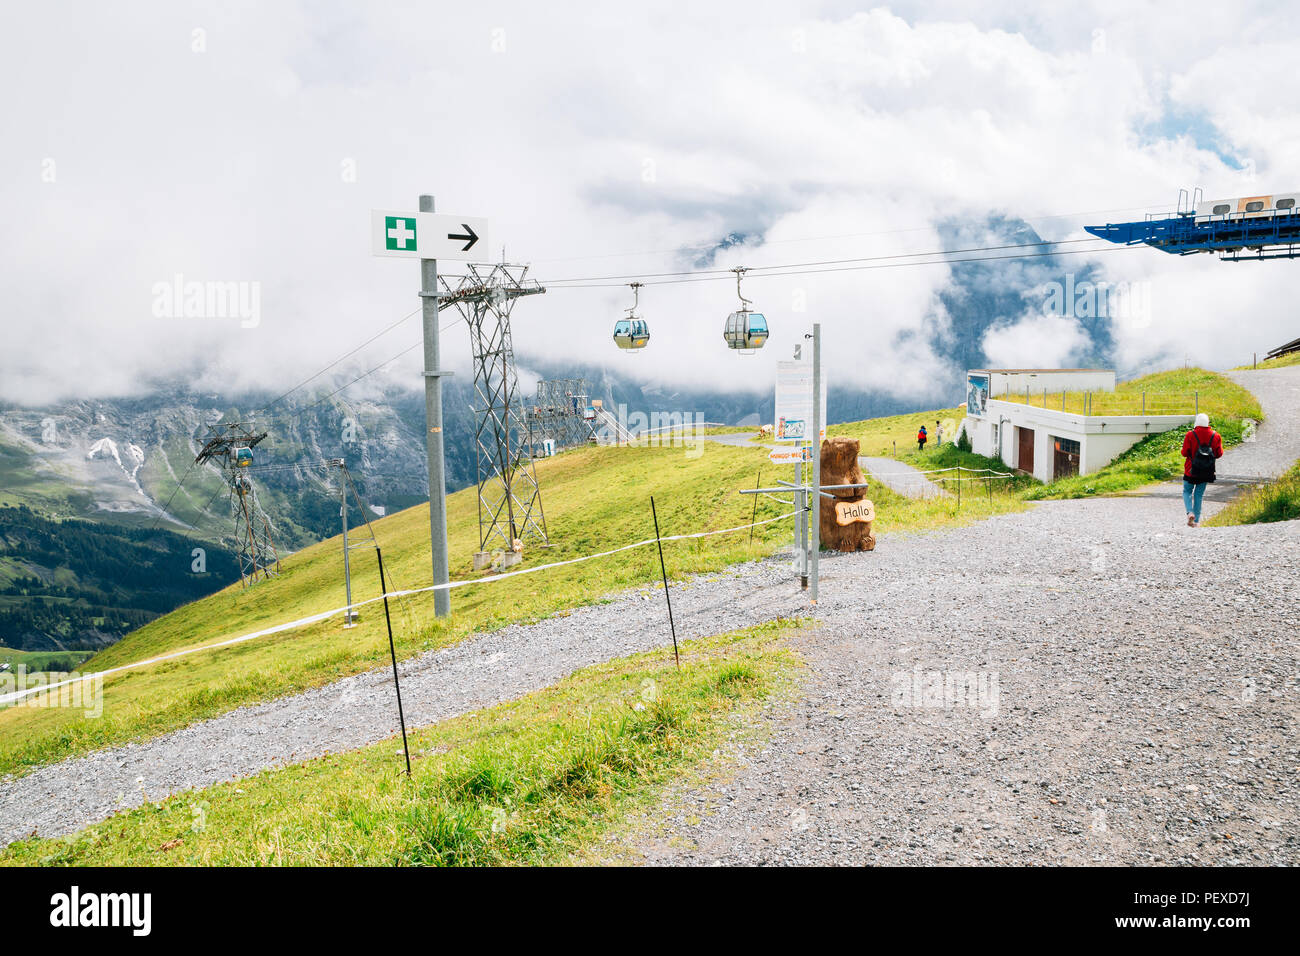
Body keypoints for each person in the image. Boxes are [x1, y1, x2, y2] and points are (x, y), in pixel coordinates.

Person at [1181, 412, 1223, 527]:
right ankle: (1196, 521)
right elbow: (1219, 454)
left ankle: (1190, 512)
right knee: (1199, 495)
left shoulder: (1190, 435)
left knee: (1187, 491)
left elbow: (1184, 453)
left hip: (1190, 470)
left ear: (1196, 423)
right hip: (1206, 471)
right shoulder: (1216, 436)